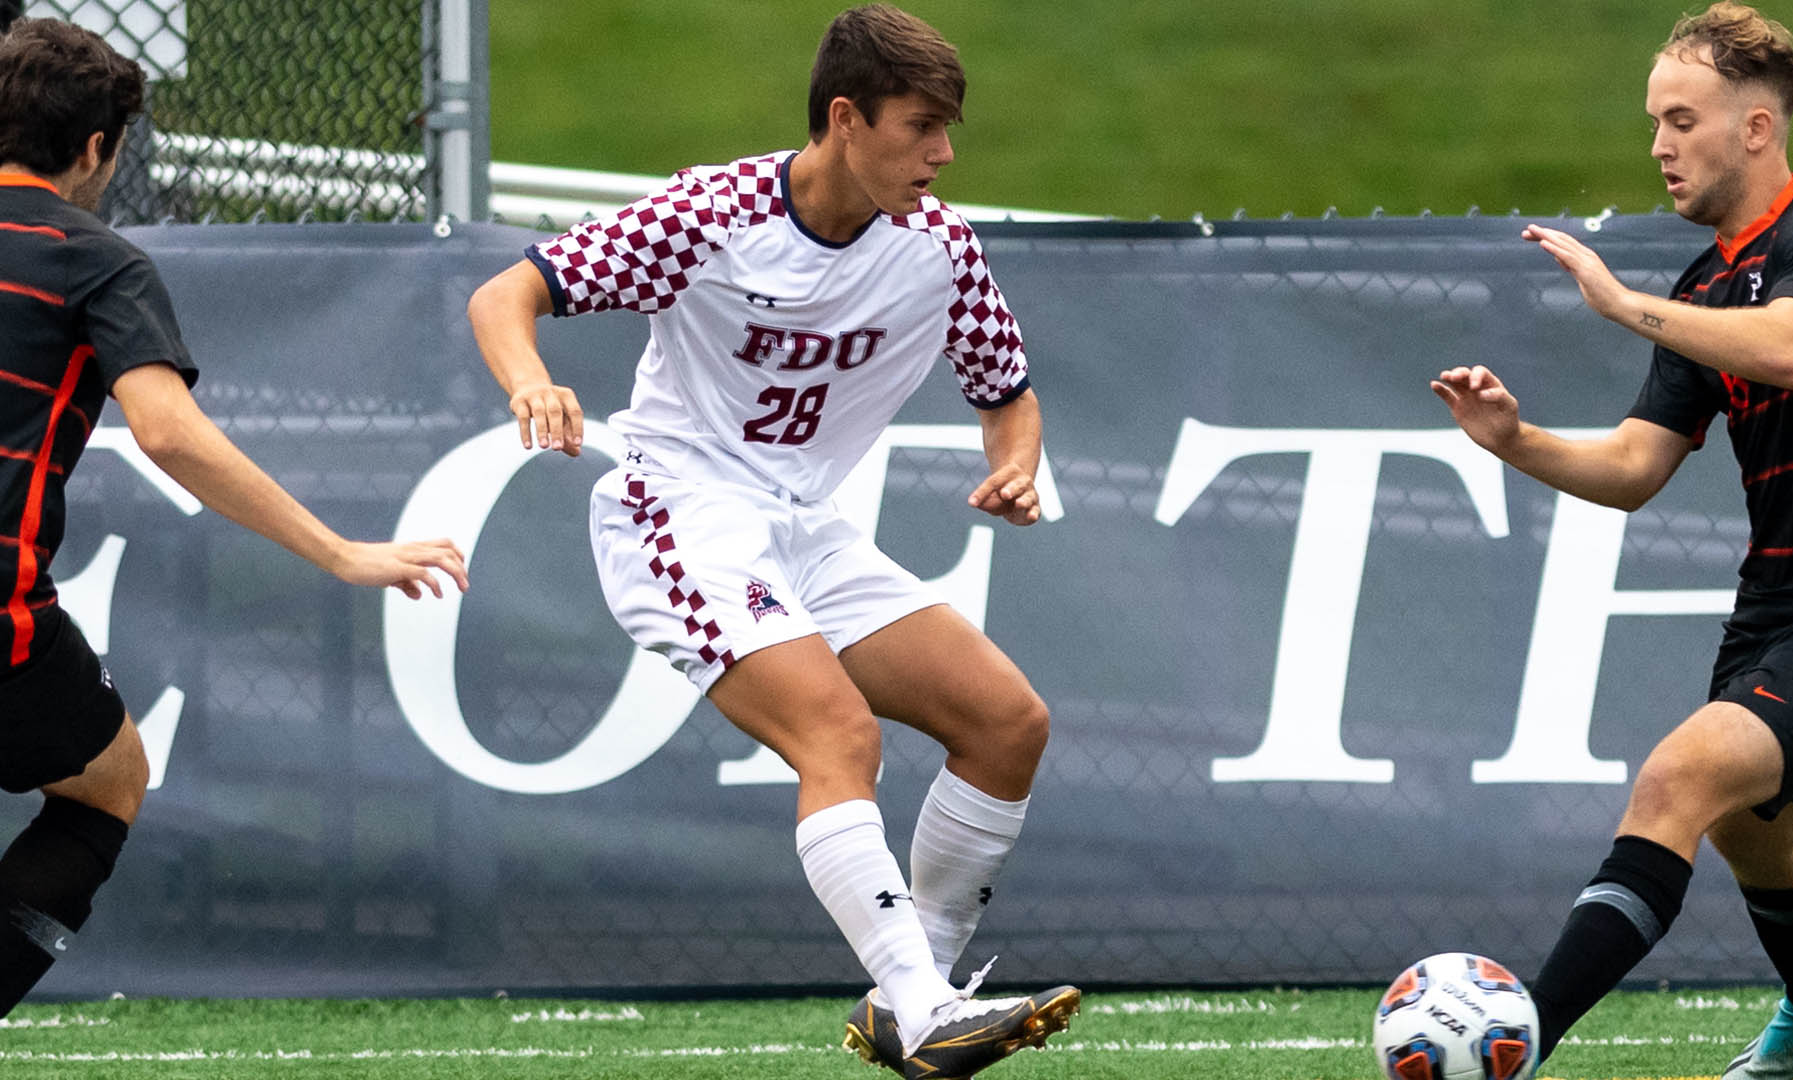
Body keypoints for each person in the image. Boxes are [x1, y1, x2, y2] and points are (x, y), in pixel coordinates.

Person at [466, 5, 1076, 1077]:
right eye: (919, 126)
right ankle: (926, 1008)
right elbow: (506, 292)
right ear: (846, 118)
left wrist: (1015, 462)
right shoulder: (712, 213)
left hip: (806, 528)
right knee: (840, 737)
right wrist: (532, 383)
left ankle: (912, 997)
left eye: (949, 129)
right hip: (676, 513)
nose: (942, 154)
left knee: (1007, 724)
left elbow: (1006, 391)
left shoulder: (939, 250)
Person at [1433, 4, 1793, 1076]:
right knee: (1755, 830)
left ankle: (1514, 1047)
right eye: (1654, 121)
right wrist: (1515, 439)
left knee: (1677, 779)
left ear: (1754, 128)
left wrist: (1617, 302)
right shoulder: (1705, 288)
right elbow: (1635, 471)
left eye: (1681, 119)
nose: (1657, 145)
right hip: (1778, 603)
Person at [0, 17, 468, 1016]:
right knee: (106, 779)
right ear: (97, 149)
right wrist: (341, 551)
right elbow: (168, 435)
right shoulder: (94, 261)